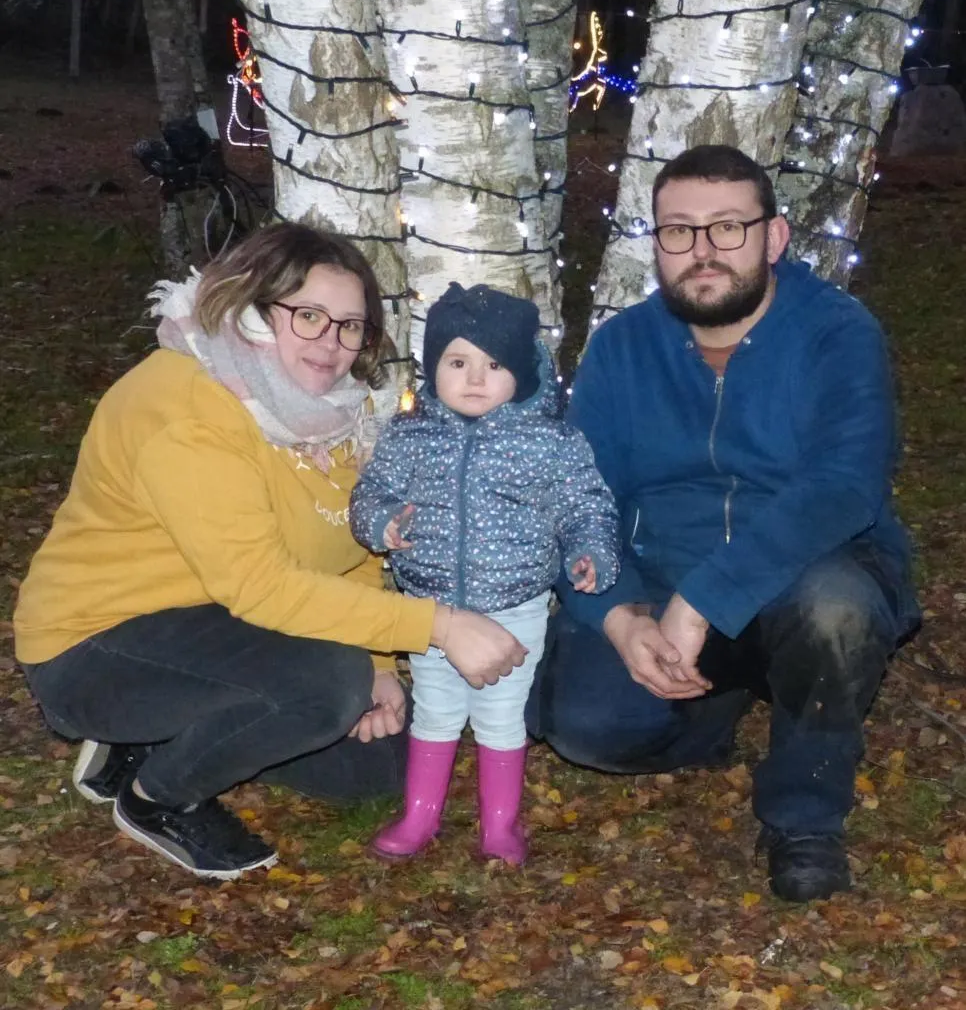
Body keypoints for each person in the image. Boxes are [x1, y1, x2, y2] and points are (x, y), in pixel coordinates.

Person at [14, 224, 526, 881]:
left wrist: (378, 664)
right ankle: (157, 797)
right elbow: (260, 586)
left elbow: (355, 544)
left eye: (349, 326)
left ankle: (141, 741)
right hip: (100, 644)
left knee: (379, 763)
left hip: (220, 627)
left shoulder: (328, 411)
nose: (331, 345)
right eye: (308, 316)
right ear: (251, 306)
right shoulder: (189, 410)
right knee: (325, 686)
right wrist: (438, 626)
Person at [525, 145, 918, 903]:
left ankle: (805, 813)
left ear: (774, 238)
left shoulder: (837, 333)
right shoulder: (622, 348)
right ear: (657, 245)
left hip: (807, 569)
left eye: (728, 227)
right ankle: (719, 700)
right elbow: (582, 503)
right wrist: (619, 616)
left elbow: (845, 485)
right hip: (660, 579)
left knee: (834, 612)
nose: (702, 251)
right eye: (679, 231)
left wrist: (707, 598)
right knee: (581, 726)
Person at [350, 283, 619, 864]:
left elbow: (586, 504)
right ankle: (420, 815)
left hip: (514, 605)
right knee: (437, 710)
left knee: (500, 716)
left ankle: (501, 825)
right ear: (433, 369)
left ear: (521, 372)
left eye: (494, 364)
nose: (475, 378)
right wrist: (382, 523)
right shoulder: (409, 437)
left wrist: (591, 549)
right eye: (457, 361)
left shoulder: (551, 442)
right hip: (431, 606)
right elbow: (371, 494)